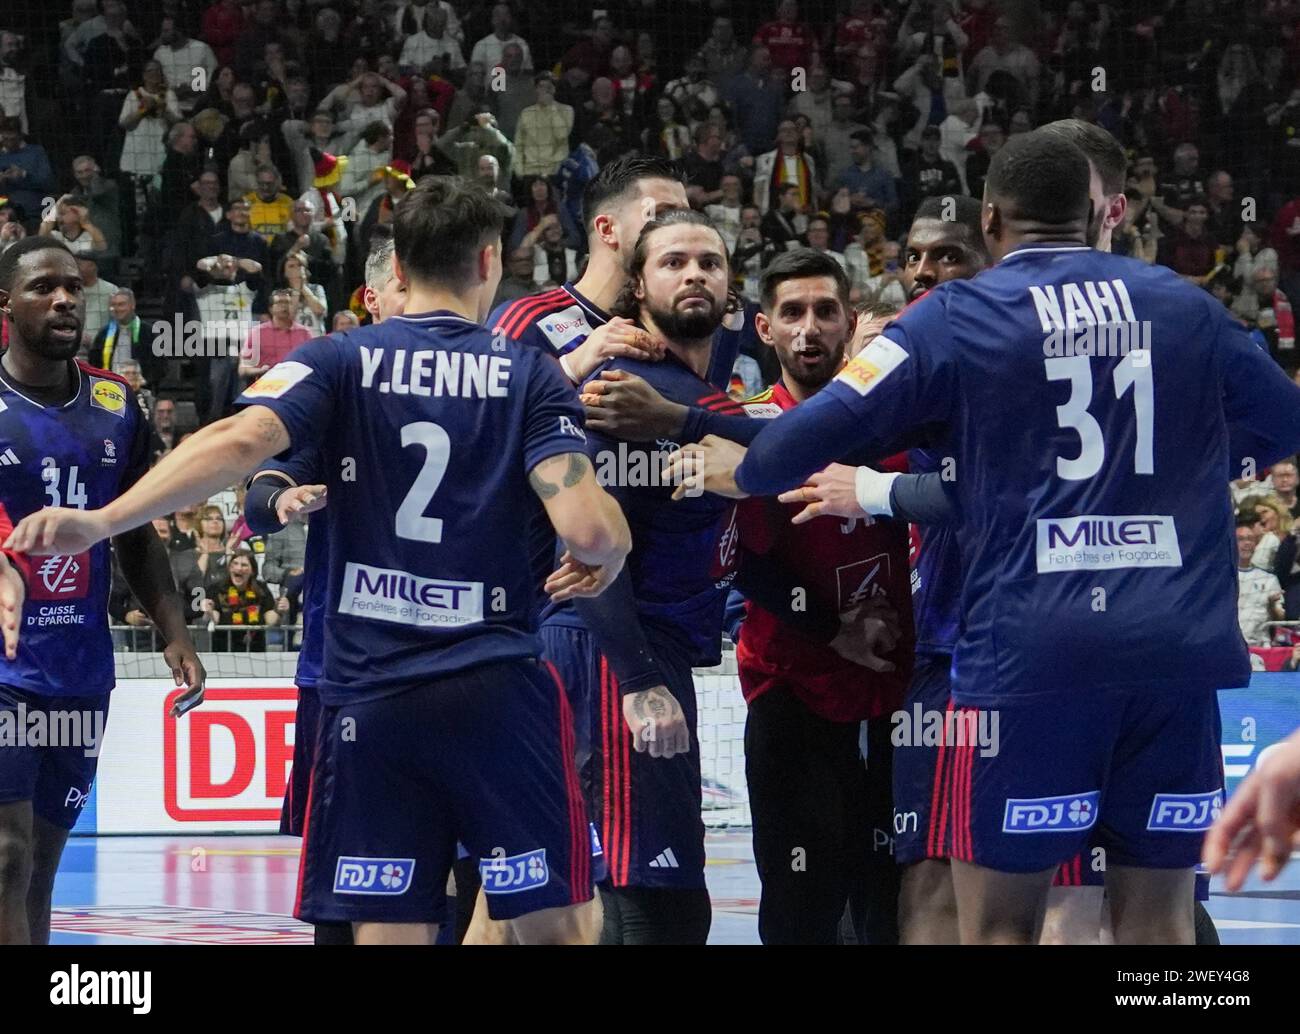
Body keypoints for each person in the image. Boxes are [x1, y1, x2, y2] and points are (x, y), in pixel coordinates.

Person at [661, 130, 1300, 945]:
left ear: (991, 219)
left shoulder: (956, 317)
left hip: (1033, 660)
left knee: (1000, 927)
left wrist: (726, 457)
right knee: (1162, 925)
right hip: (1174, 658)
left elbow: (793, 445)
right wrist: (1185, 473)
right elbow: (1282, 427)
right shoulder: (1184, 305)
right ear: (1098, 213)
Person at [7, 177, 632, 947]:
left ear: (395, 272)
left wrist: (101, 520)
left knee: (386, 926)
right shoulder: (529, 372)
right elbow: (590, 531)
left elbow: (237, 445)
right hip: (496, 686)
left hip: (372, 698)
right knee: (556, 925)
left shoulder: (340, 358)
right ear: (490, 261)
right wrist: (610, 547)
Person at [0, 236, 204, 944]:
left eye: (72, 287)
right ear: (6, 304)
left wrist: (174, 630)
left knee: (45, 860)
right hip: (3, 667)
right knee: (7, 853)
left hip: (83, 671)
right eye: (41, 288)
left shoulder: (118, 405)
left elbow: (138, 534)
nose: (62, 299)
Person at [540, 208, 737, 944]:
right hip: (615, 648)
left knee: (647, 887)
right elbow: (589, 553)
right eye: (673, 262)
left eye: (710, 263)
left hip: (645, 649)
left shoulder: (692, 397)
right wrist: (636, 678)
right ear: (637, 291)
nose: (694, 274)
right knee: (647, 886)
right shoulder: (622, 392)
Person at [731, 248, 914, 945]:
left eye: (825, 311)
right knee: (802, 899)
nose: (809, 328)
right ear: (764, 329)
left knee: (892, 899)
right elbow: (738, 561)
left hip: (899, 696)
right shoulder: (745, 427)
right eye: (792, 313)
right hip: (792, 688)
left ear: (851, 322)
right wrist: (831, 626)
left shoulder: (896, 424)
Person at [239, 237, 406, 946]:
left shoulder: (486, 376)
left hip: (458, 657)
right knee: (341, 863)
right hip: (346, 663)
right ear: (372, 298)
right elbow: (261, 480)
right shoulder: (334, 377)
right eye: (408, 284)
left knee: (459, 865)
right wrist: (278, 499)